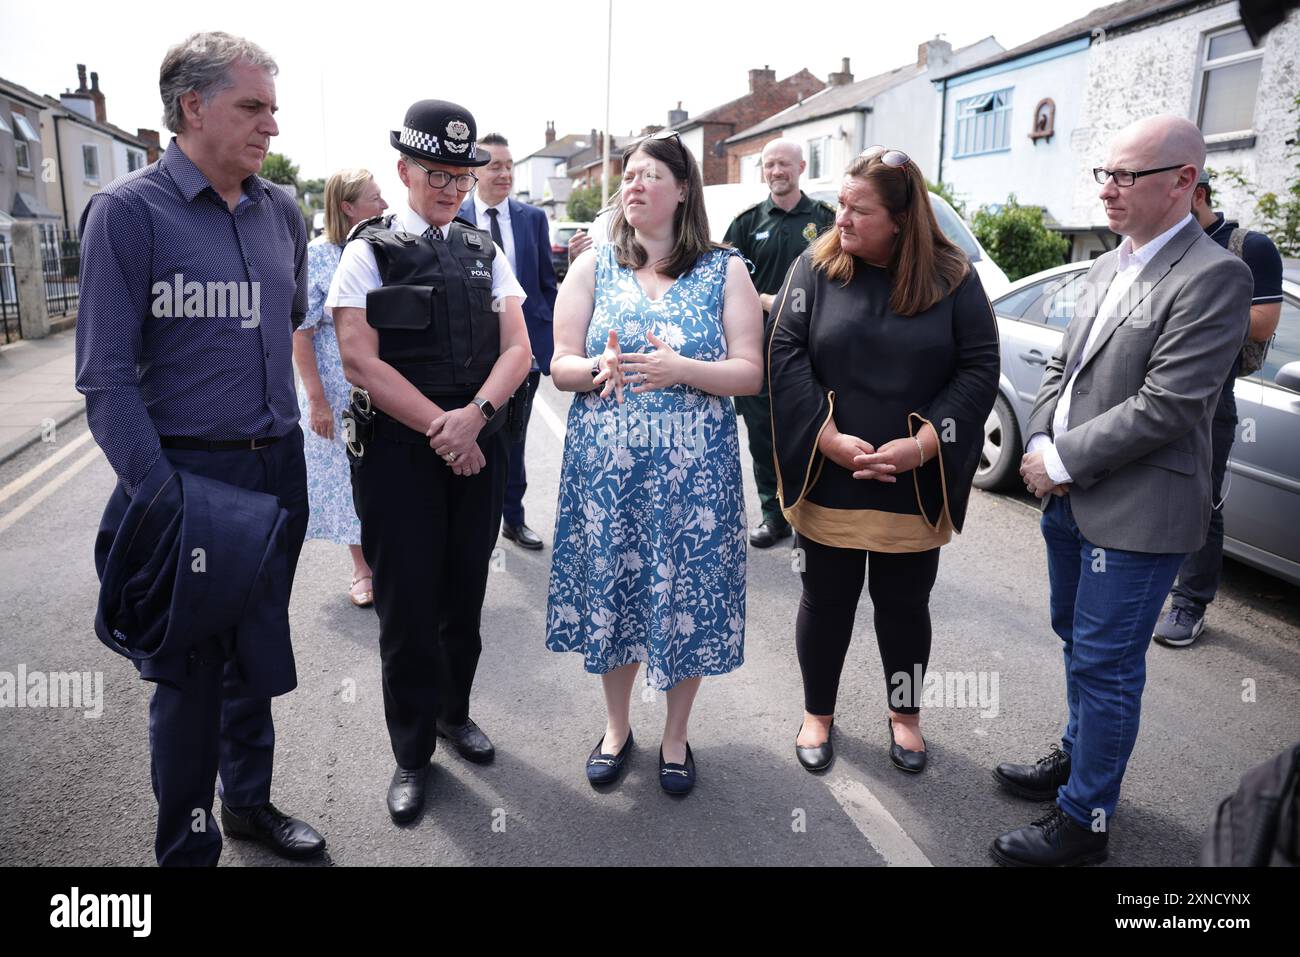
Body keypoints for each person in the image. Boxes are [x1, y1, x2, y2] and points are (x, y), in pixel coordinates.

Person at [75, 31, 325, 865]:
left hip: (276, 468)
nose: (271, 127)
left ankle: (247, 805)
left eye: (273, 110)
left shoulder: (281, 211)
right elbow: (106, 379)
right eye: (253, 107)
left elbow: (290, 318)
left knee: (255, 652)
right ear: (192, 106)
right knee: (188, 684)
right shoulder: (127, 214)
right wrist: (164, 496)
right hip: (187, 477)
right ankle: (186, 851)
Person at [995, 116, 1253, 867]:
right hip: (1068, 497)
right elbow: (1062, 368)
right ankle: (1079, 758)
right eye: (1104, 173)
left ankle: (1085, 822)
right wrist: (1037, 444)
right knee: (1079, 644)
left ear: (1183, 181)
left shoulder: (1216, 275)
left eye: (1126, 175)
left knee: (1106, 665)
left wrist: (1061, 460)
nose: (1108, 189)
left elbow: (1169, 404)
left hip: (1137, 510)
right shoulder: (1109, 264)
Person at [767, 146, 999, 777]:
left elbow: (979, 368)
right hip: (831, 475)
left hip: (912, 482)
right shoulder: (815, 267)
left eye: (858, 208)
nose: (840, 218)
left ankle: (905, 716)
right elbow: (784, 350)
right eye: (840, 204)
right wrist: (826, 437)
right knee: (826, 601)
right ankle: (818, 714)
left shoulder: (953, 278)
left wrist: (924, 444)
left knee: (904, 608)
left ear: (900, 219)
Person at [331, 100, 531, 824]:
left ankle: (453, 714)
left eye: (460, 175)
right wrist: (444, 428)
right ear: (405, 170)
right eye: (436, 173)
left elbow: (520, 348)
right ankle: (412, 753)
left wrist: (474, 417)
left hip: (476, 448)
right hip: (400, 458)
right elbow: (359, 360)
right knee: (408, 609)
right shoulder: (369, 250)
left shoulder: (485, 250)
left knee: (463, 599)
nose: (450, 187)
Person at [545, 131, 763, 795]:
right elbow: (559, 365)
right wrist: (596, 367)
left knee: (685, 598)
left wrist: (682, 369)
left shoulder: (725, 269)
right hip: (609, 478)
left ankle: (675, 735)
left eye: (649, 175)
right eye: (629, 175)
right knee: (615, 595)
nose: (633, 185)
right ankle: (616, 729)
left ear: (683, 189)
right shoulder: (593, 265)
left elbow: (749, 372)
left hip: (696, 481)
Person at [1151, 168, 1284, 647]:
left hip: (1210, 397)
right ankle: (1148, 588)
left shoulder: (1248, 247)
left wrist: (1189, 310)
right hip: (1150, 386)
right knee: (1147, 492)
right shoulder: (1163, 247)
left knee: (1200, 500)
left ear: (1197, 195)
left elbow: (1263, 322)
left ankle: (1190, 602)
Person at [724, 139, 835, 548]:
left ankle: (811, 514)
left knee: (814, 429)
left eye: (784, 164)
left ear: (801, 167)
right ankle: (774, 516)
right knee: (763, 436)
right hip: (760, 348)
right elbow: (724, 283)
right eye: (769, 165)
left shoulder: (826, 220)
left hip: (816, 348)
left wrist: (787, 303)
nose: (776, 171)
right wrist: (764, 302)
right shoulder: (747, 223)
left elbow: (845, 276)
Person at [458, 133, 559, 551]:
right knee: (470, 433)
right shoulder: (455, 214)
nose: (504, 173)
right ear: (474, 171)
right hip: (470, 353)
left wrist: (546, 343)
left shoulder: (532, 218)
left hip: (524, 351)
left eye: (509, 165)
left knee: (515, 438)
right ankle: (469, 524)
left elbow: (545, 283)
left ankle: (513, 519)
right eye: (494, 165)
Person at [293, 169, 387, 606]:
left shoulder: (383, 249)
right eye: (375, 198)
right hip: (338, 391)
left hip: (385, 383)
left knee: (385, 477)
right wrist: (317, 402)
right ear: (348, 207)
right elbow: (301, 333)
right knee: (348, 477)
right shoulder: (317, 257)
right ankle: (362, 568)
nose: (384, 205)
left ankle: (391, 560)